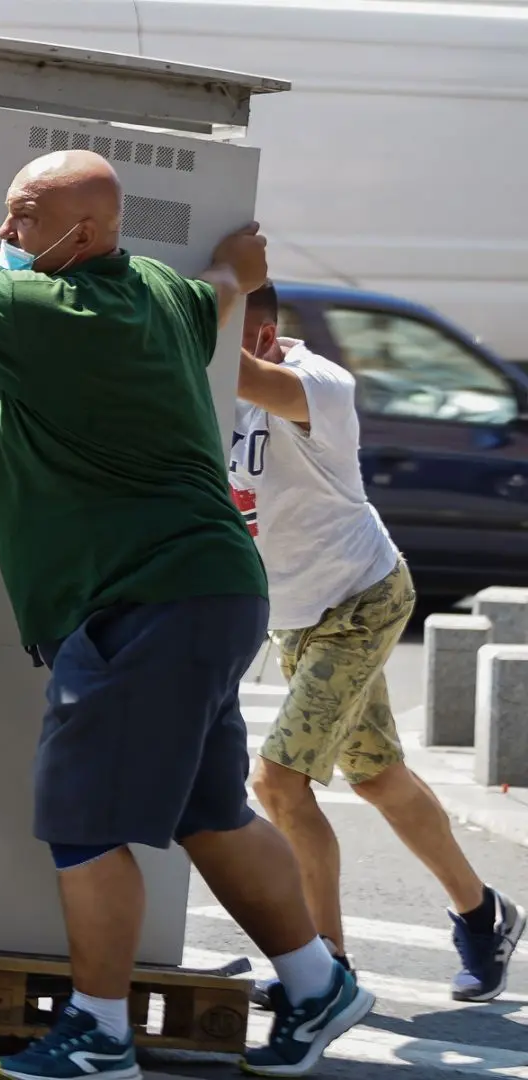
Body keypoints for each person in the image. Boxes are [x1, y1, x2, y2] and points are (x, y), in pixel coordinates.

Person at [0, 135, 370, 1079]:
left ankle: (98, 1032)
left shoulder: (47, 314)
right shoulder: (158, 294)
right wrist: (239, 269)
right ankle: (315, 982)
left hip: (143, 603)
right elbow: (215, 293)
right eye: (10, 210)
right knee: (209, 809)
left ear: (82, 234)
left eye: (26, 218)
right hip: (209, 591)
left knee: (83, 819)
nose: (6, 231)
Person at [232, 283, 522, 1005]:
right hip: (297, 613)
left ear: (263, 339)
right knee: (377, 777)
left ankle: (324, 971)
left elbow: (221, 368)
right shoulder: (216, 391)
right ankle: (484, 914)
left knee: (277, 783)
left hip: (360, 600)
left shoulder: (321, 384)